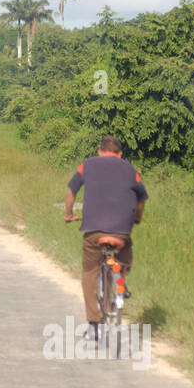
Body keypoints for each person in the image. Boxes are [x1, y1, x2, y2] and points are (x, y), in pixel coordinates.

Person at [64, 135, 147, 341]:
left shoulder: (87, 165)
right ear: (120, 154)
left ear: (100, 151)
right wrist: (136, 218)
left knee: (90, 272)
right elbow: (142, 198)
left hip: (94, 232)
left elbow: (71, 191)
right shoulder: (130, 169)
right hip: (121, 232)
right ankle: (121, 280)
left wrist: (68, 214)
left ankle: (93, 324)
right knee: (125, 255)